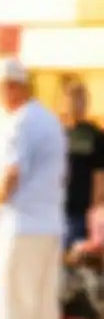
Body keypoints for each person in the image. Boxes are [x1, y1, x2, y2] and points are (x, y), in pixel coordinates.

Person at [0, 56, 70, 319]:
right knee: (41, 300)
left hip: (21, 222)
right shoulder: (49, 120)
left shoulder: (19, 123)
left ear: (11, 87)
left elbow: (11, 172)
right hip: (49, 222)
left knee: (13, 301)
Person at [61, 81, 104, 249]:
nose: (76, 104)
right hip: (57, 210)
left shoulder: (94, 135)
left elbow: (100, 175)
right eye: (72, 99)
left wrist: (94, 209)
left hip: (82, 212)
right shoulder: (58, 132)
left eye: (80, 99)